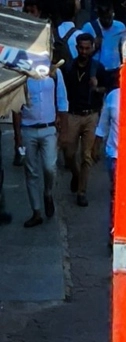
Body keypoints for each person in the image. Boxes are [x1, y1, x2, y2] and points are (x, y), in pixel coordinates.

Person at [13, 64, 68, 228]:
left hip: (49, 128)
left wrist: (64, 131)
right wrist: (17, 137)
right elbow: (17, 107)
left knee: (50, 167)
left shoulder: (54, 72)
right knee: (31, 171)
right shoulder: (22, 74)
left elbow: (62, 100)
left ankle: (48, 192)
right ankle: (36, 212)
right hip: (28, 129)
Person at [60, 32, 106, 206]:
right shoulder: (69, 68)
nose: (85, 51)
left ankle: (81, 191)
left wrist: (97, 88)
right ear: (77, 48)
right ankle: (76, 176)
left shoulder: (97, 68)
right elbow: (61, 93)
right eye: (82, 48)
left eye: (88, 48)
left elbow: (106, 89)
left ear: (92, 48)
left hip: (91, 114)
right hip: (72, 114)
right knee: (69, 153)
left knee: (86, 156)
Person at [93, 65, 118, 241]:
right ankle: (113, 230)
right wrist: (96, 146)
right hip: (115, 155)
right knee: (115, 194)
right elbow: (103, 124)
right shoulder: (112, 97)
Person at [82, 3, 126, 73]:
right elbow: (82, 52)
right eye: (104, 18)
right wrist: (94, 46)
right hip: (96, 71)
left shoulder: (120, 27)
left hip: (115, 70)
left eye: (109, 18)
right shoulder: (88, 27)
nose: (107, 21)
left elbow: (124, 49)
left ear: (113, 14)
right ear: (99, 15)